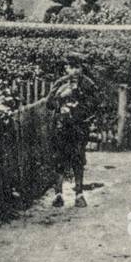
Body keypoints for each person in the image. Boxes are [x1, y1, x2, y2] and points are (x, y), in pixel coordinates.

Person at [46, 51, 100, 207]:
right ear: (66, 69)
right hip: (60, 126)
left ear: (81, 69)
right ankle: (58, 194)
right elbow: (49, 103)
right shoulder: (60, 82)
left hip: (78, 126)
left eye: (78, 68)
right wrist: (62, 99)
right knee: (59, 159)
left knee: (78, 158)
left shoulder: (87, 84)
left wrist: (80, 104)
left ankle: (79, 194)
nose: (75, 71)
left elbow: (96, 103)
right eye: (71, 68)